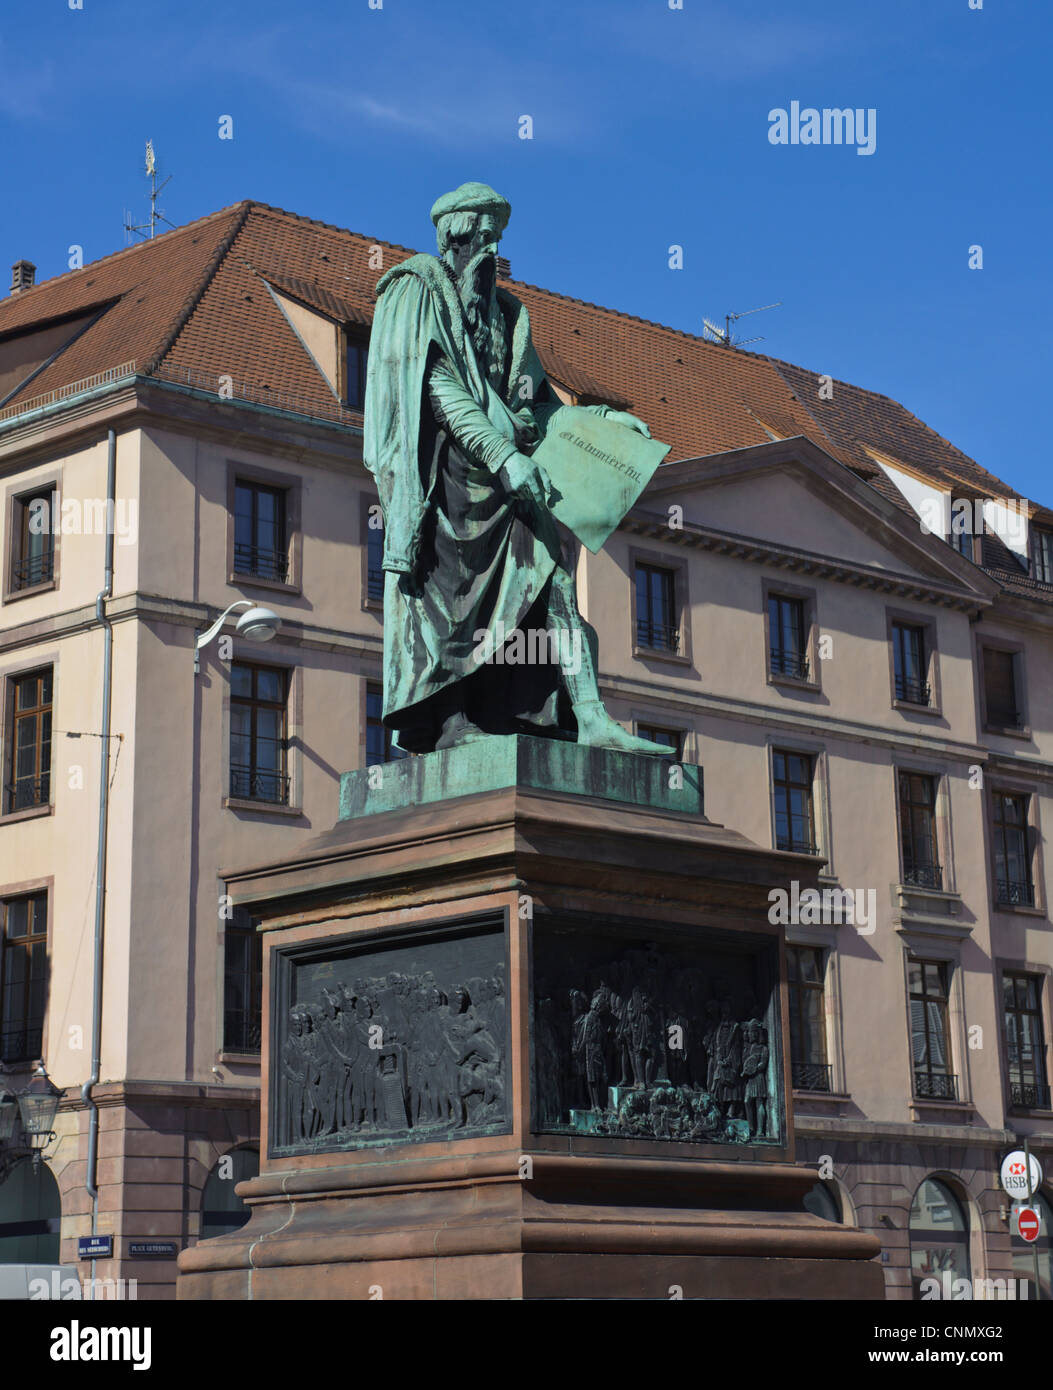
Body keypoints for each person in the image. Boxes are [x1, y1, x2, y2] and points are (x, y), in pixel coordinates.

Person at [364, 181, 671, 756]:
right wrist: (501, 454)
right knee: (449, 599)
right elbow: (436, 386)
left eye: (497, 237)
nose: (492, 249)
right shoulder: (414, 288)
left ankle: (591, 716)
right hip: (445, 483)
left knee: (554, 578)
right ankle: (451, 717)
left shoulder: (506, 314)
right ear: (454, 236)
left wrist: (602, 420)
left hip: (508, 482)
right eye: (483, 235)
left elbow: (534, 402)